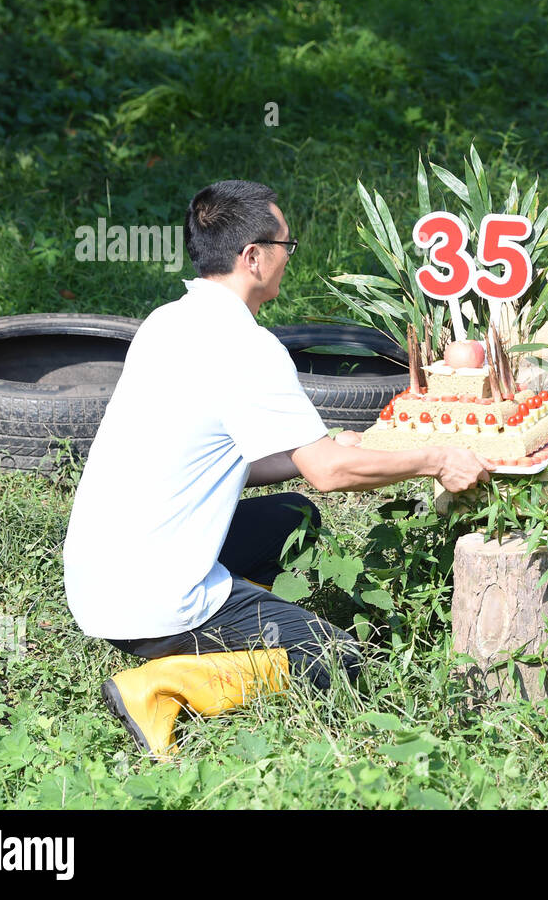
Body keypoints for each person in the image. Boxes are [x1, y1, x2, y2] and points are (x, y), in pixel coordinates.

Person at [62, 179, 493, 757]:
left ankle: (234, 627)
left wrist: (307, 446)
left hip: (98, 584)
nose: (290, 258)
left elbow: (240, 457)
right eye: (288, 245)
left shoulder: (167, 321)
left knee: (291, 515)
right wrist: (439, 459)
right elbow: (331, 474)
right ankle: (161, 682)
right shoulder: (247, 346)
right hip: (157, 602)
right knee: (340, 660)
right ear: (253, 256)